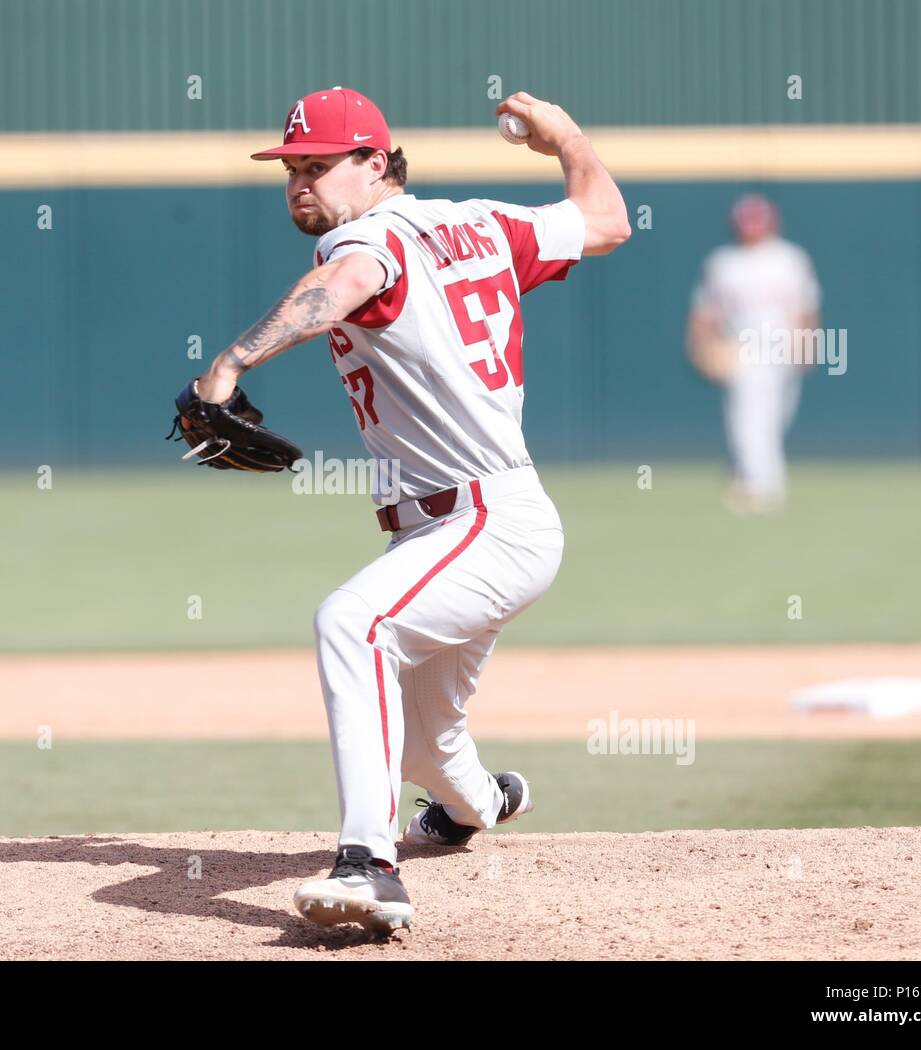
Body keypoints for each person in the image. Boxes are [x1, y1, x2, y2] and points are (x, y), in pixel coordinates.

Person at [191, 87, 629, 934]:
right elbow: (607, 219)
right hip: (466, 525)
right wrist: (567, 136)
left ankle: (370, 866)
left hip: (483, 520)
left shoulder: (364, 236)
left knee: (352, 624)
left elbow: (353, 277)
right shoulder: (489, 223)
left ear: (379, 163)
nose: (301, 184)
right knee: (431, 744)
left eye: (319, 166)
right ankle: (478, 806)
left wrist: (230, 364)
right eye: (292, 170)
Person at [687, 195, 822, 513]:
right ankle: (758, 483)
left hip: (784, 345)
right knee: (748, 414)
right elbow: (706, 312)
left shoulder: (790, 258)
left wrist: (810, 344)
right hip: (743, 347)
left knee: (775, 416)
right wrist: (699, 345)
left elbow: (806, 308)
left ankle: (756, 473)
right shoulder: (724, 262)